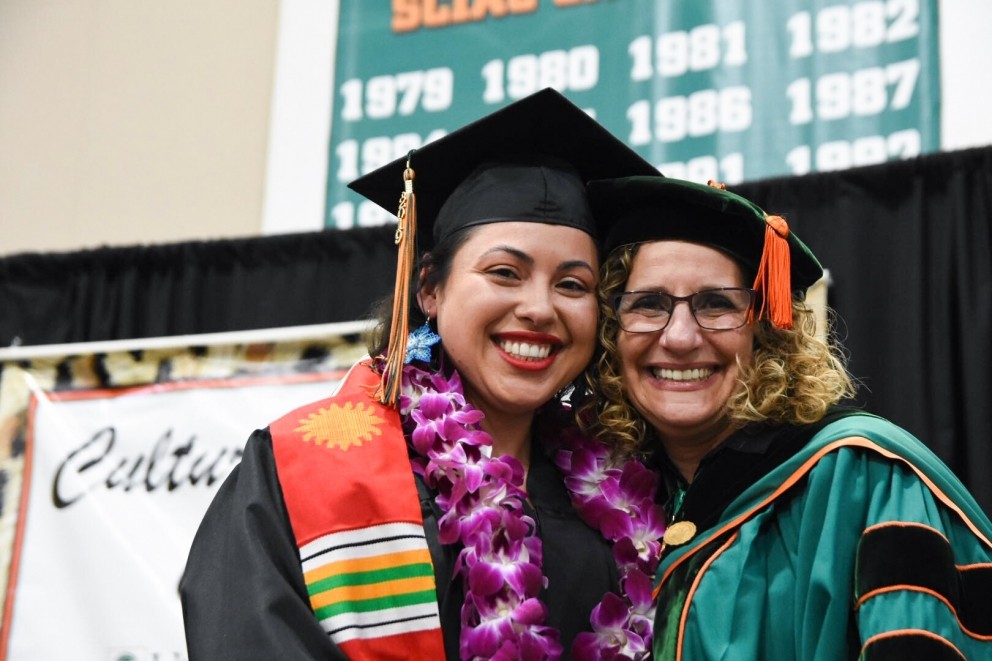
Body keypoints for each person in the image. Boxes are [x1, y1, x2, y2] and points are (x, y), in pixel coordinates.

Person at [179, 88, 666, 660]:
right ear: (430, 288)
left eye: (572, 285)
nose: (540, 308)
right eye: (506, 272)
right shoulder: (299, 471)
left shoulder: (626, 494)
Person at [580, 176, 992, 659]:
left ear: (766, 330)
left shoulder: (860, 477)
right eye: (649, 304)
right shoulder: (612, 504)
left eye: (717, 304)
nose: (680, 337)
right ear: (610, 332)